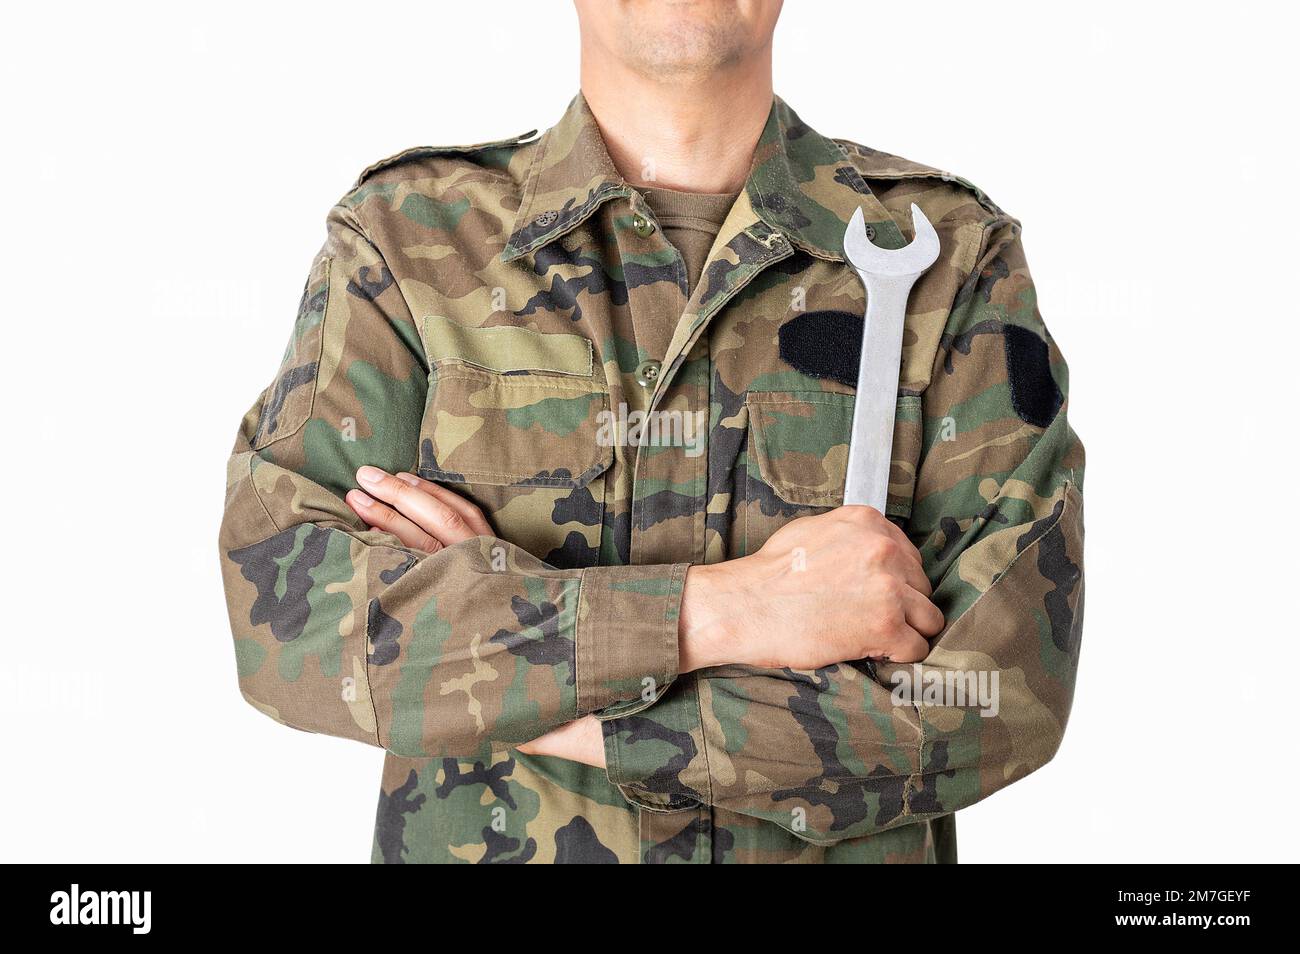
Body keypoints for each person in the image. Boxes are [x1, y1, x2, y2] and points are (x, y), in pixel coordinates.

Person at [218, 0, 1084, 863]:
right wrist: (730, 611)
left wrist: (513, 680)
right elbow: (292, 624)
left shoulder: (948, 259)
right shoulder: (404, 242)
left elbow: (999, 701)